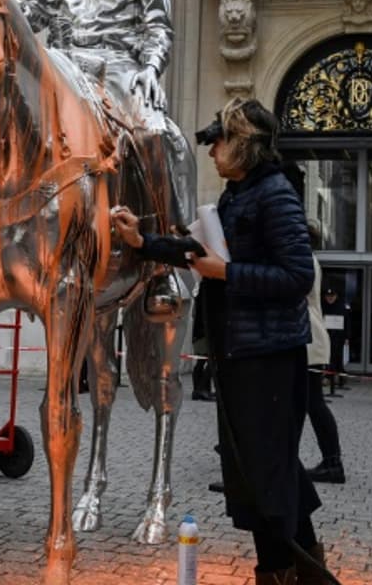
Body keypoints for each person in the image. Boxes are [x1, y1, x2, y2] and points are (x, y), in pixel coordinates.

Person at [113, 98, 330, 585]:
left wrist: (227, 272)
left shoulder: (274, 194)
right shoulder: (238, 195)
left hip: (269, 359)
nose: (211, 151)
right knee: (261, 474)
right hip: (240, 355)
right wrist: (143, 243)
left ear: (246, 146)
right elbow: (200, 255)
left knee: (267, 477)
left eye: (220, 141)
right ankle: (301, 571)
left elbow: (297, 276)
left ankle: (283, 573)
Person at [19, 0, 194, 313]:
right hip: (64, 62)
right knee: (2, 120)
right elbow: (37, 8)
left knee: (154, 135)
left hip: (120, 66)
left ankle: (163, 265)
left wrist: (151, 69)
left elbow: (158, 25)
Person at [304, 227, 345, 485]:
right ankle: (331, 462)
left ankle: (333, 462)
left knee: (314, 404)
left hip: (309, 340)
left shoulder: (304, 259)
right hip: (309, 339)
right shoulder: (308, 258)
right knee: (308, 404)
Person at [321, 287, 351, 389]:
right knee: (328, 357)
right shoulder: (322, 307)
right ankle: (329, 376)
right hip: (326, 336)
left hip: (339, 337)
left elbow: (347, 323)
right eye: (328, 296)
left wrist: (347, 337)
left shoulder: (342, 307)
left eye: (332, 296)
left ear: (336, 296)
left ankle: (340, 377)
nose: (329, 298)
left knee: (338, 356)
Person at [189, 297, 214, 401]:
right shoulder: (205, 298)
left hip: (199, 332)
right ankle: (202, 389)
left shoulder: (199, 297)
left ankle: (198, 390)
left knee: (201, 361)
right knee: (211, 361)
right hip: (204, 332)